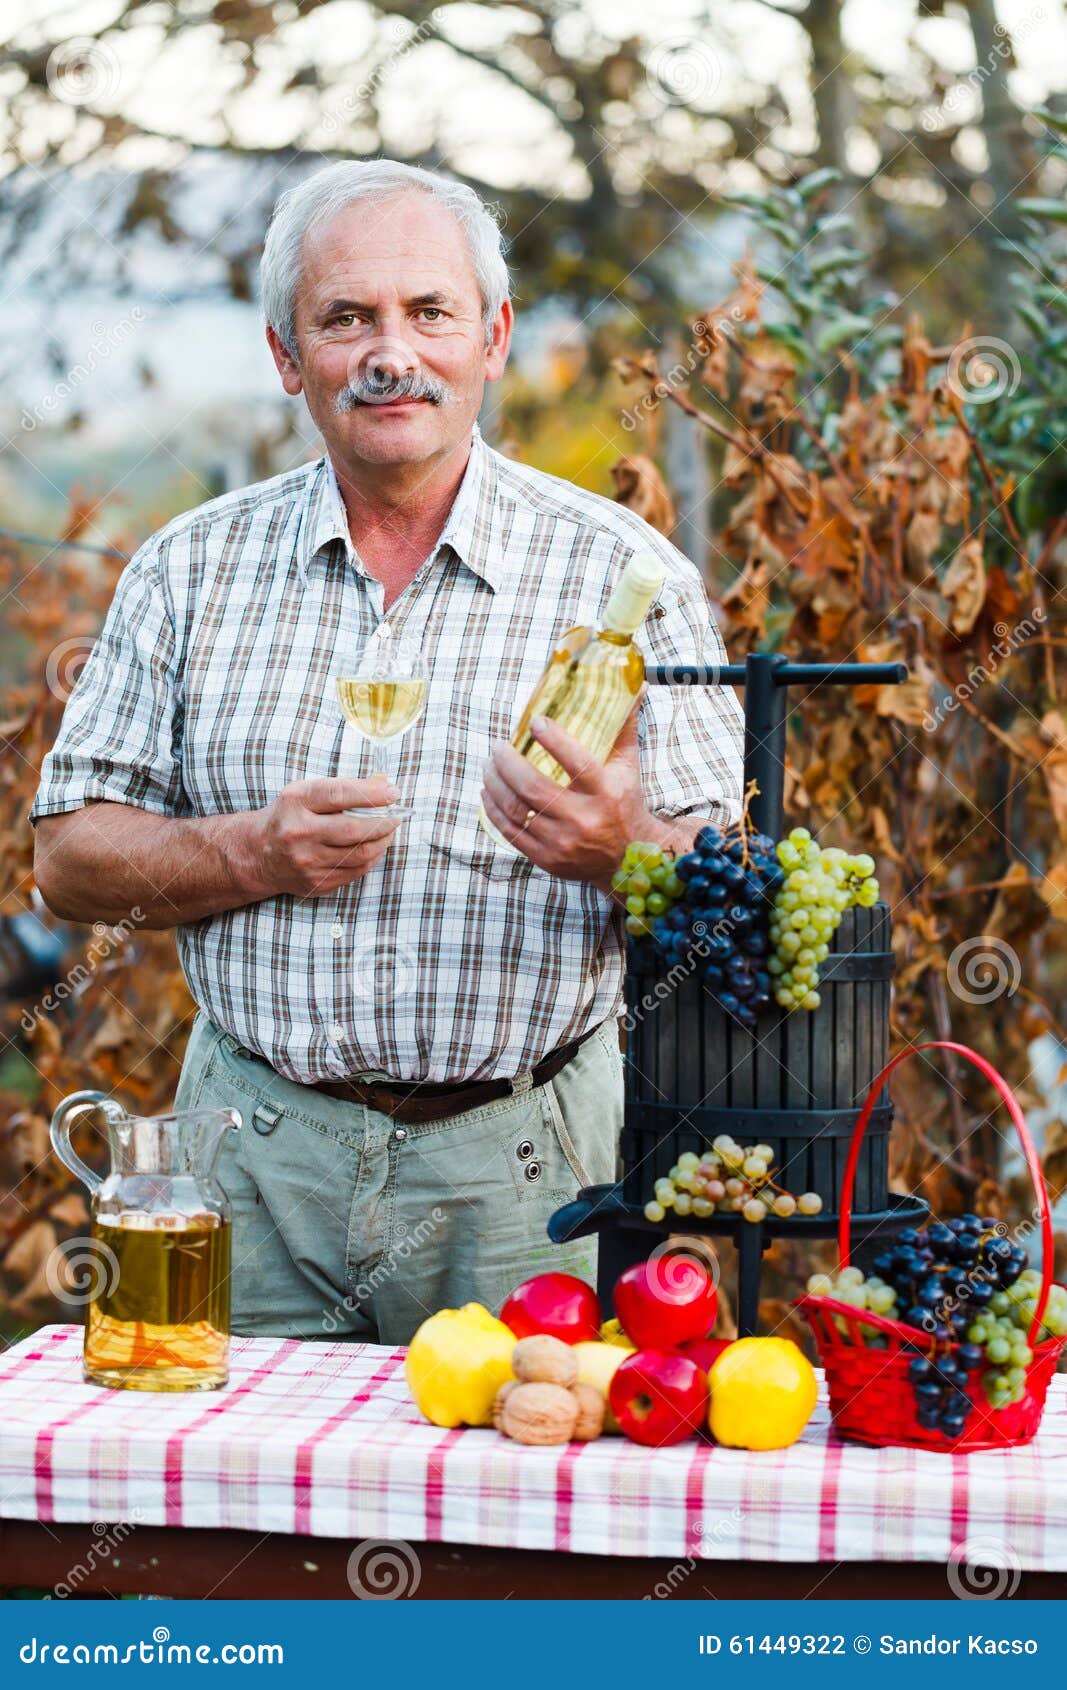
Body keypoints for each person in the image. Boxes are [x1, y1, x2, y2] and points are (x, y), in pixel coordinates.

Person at [29, 159, 744, 1345]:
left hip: (526, 1174)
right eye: (346, 317)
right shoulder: (187, 570)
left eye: (429, 312)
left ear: (493, 338)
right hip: (251, 1163)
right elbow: (66, 860)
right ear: (286, 355)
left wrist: (622, 849)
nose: (390, 353)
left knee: (526, 1459)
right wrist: (253, 852)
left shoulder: (625, 579)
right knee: (219, 1464)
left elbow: (738, 896)